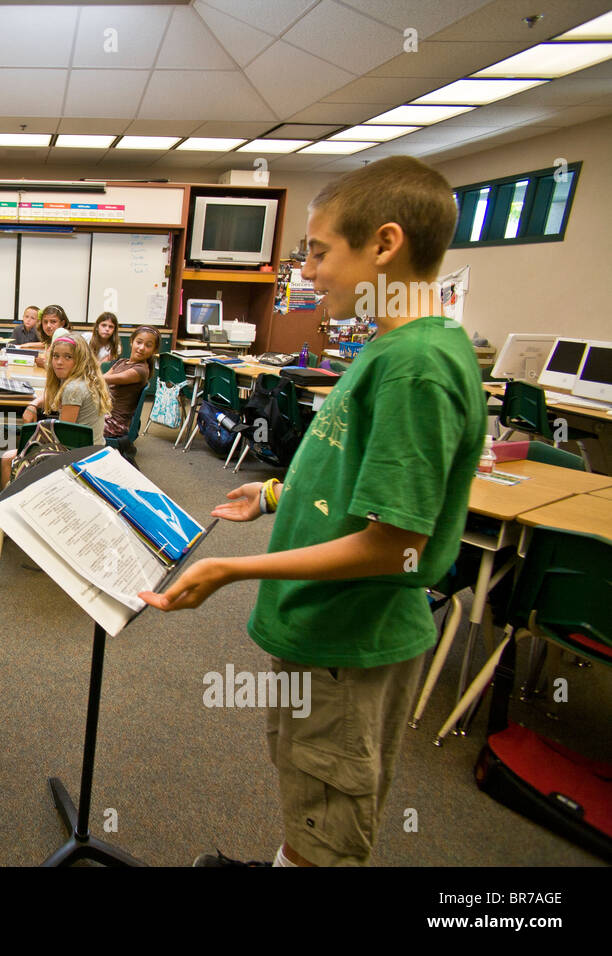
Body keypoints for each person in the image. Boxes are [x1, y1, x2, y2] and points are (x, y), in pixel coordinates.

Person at [140, 155, 486, 868]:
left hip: (350, 641)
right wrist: (274, 494)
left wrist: (235, 570)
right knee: (309, 791)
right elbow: (354, 473)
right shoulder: (387, 344)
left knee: (332, 815)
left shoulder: (417, 364)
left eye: (321, 252)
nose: (310, 271)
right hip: (321, 633)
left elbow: (396, 545)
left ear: (385, 244)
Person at [1, 329, 111, 486]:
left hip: (79, 456)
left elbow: (61, 439)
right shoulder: (83, 379)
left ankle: (9, 502)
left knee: (7, 459)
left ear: (80, 359)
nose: (59, 362)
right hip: (94, 449)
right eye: (56, 356)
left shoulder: (73, 388)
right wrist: (34, 404)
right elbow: (54, 398)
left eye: (68, 357)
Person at [103, 325, 158, 450]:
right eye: (139, 342)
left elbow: (104, 379)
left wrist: (83, 373)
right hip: (105, 412)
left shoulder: (140, 370)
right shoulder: (122, 362)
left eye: (148, 345)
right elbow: (102, 380)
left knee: (73, 422)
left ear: (154, 350)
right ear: (132, 341)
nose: (142, 348)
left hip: (115, 423)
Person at [34, 304, 70, 369]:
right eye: (45, 322)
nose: (48, 325)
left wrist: (44, 364)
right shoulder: (49, 339)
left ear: (62, 323)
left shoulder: (60, 332)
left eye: (53, 321)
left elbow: (60, 367)